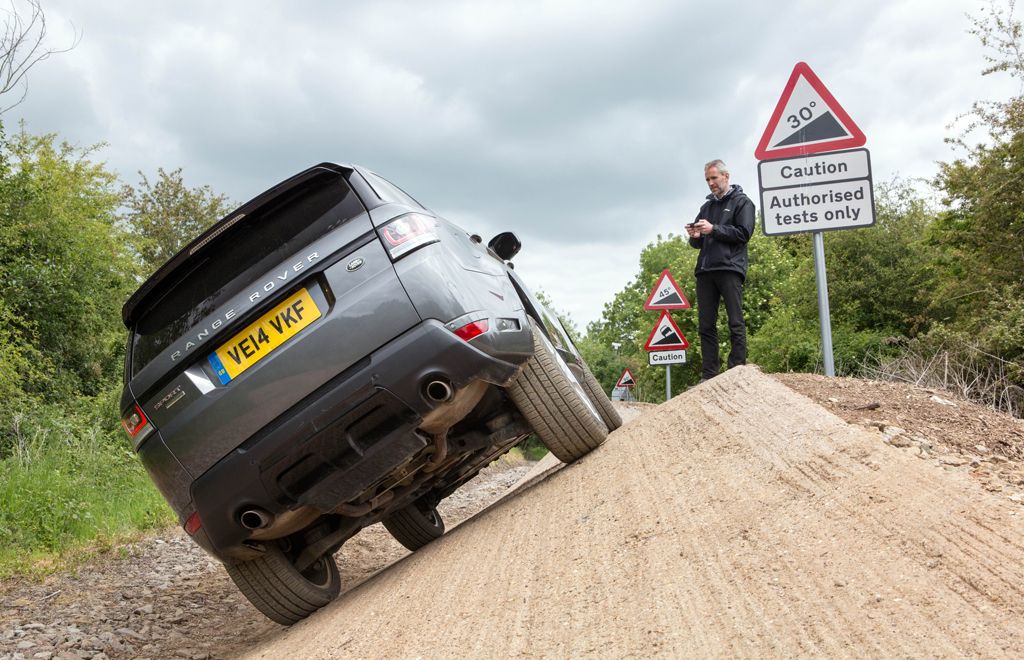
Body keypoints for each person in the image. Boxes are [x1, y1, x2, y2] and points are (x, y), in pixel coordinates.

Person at [685, 159, 756, 382]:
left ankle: (737, 369)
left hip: (730, 267)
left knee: (735, 320)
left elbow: (743, 233)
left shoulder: (742, 203)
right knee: (706, 324)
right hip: (705, 269)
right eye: (707, 179)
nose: (711, 183)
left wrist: (714, 229)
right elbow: (698, 244)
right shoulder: (705, 207)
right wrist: (695, 236)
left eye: (714, 178)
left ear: (726, 176)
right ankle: (710, 375)